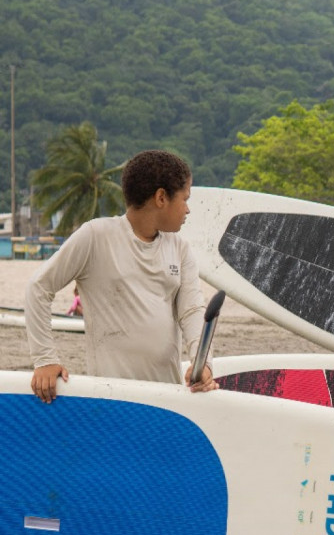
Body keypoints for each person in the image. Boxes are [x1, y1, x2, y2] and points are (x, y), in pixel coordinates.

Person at [25, 150, 217, 402]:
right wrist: (45, 359)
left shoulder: (180, 249)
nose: (188, 209)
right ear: (161, 197)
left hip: (168, 398)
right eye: (185, 198)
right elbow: (38, 288)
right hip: (111, 397)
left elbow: (192, 311)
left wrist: (203, 363)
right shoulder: (96, 236)